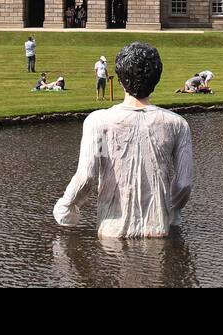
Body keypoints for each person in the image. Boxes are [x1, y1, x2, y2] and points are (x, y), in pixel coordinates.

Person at [54, 42, 193, 238]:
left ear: (119, 80)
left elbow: (86, 177)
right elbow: (184, 183)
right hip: (158, 230)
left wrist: (67, 206)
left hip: (112, 232)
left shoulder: (99, 122)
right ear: (157, 79)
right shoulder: (177, 124)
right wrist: (168, 209)